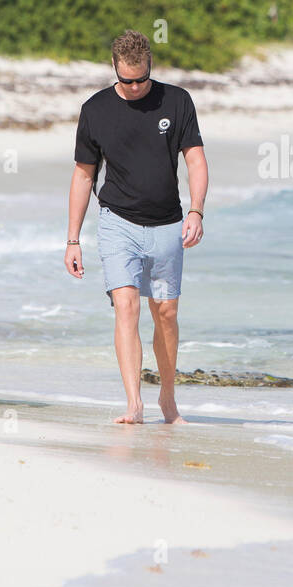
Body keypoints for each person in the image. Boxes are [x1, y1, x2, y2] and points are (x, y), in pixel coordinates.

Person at [65, 29, 208, 424]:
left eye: (141, 79)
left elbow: (195, 160)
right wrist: (72, 239)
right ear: (114, 69)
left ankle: (167, 397)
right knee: (126, 307)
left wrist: (196, 211)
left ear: (150, 68)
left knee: (165, 313)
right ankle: (134, 403)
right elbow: (82, 176)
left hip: (167, 224)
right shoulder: (95, 110)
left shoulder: (177, 102)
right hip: (117, 223)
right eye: (126, 80)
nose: (133, 87)